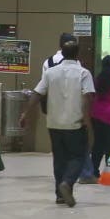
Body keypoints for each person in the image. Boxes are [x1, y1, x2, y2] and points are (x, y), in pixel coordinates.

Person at [21, 41, 95, 207]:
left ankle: (59, 195)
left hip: (54, 123)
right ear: (77, 54)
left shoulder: (51, 73)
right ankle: (67, 183)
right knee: (78, 156)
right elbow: (87, 97)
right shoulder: (84, 73)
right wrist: (87, 120)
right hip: (75, 122)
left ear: (62, 53)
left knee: (59, 158)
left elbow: (37, 93)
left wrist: (25, 113)